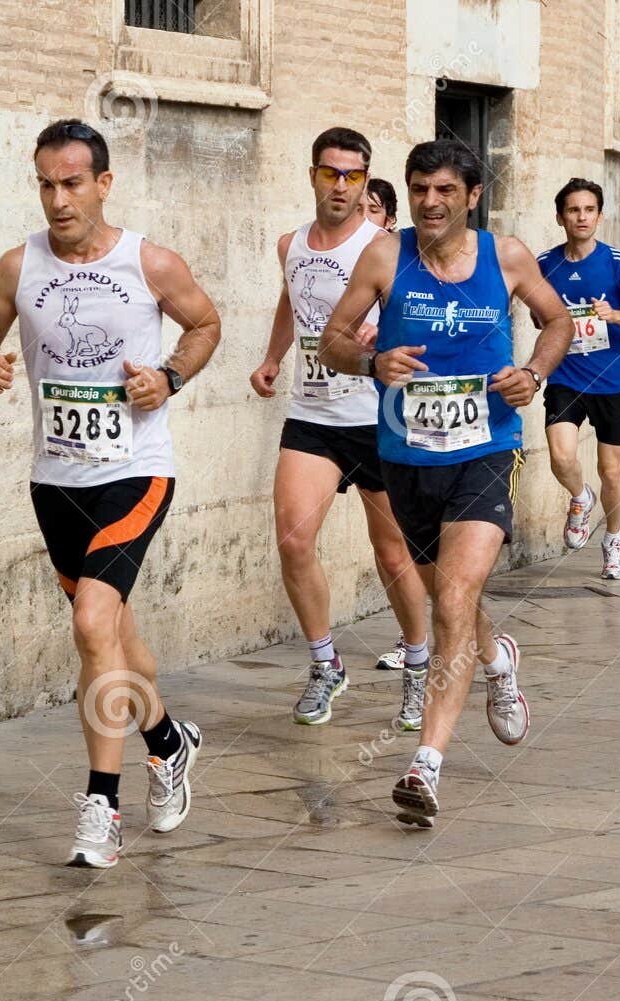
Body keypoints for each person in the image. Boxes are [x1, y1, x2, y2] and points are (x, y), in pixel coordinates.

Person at [0, 119, 221, 868]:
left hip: (136, 470)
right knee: (111, 631)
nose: (58, 198)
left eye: (72, 182)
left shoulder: (149, 261)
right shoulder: (20, 264)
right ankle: (168, 741)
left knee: (91, 618)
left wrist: (168, 376)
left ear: (104, 184)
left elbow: (205, 322)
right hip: (57, 478)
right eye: (45, 183)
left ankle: (100, 805)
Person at [318, 138, 571, 827]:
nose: (430, 202)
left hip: (486, 447)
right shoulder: (383, 255)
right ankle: (497, 657)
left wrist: (535, 373)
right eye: (420, 189)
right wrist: (372, 361)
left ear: (472, 195)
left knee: (454, 595)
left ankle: (425, 763)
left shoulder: (506, 255)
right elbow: (332, 339)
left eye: (444, 191)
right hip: (406, 457)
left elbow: (558, 320)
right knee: (447, 595)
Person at [248, 128, 429, 727]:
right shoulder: (290, 244)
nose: (342, 186)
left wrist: (389, 332)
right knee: (294, 539)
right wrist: (274, 357)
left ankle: (420, 664)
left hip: (376, 416)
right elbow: (291, 300)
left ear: (366, 179)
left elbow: (425, 313)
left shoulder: (389, 247)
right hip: (314, 416)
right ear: (313, 175)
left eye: (354, 176)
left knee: (393, 553)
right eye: (331, 174)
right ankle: (327, 664)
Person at [538, 178, 620, 579]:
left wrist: (615, 316)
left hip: (609, 381)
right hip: (565, 377)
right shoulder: (545, 264)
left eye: (589, 209)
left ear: (600, 215)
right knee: (562, 455)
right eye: (573, 210)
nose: (581, 217)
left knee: (611, 470)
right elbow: (535, 313)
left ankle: (614, 538)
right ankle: (579, 496)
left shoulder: (617, 262)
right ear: (560, 217)